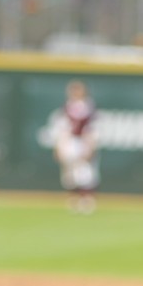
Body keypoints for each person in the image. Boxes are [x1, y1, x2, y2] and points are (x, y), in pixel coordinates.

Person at [52, 79, 99, 214]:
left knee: (85, 170)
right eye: (73, 90)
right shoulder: (65, 107)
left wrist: (90, 145)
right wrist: (58, 146)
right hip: (69, 141)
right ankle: (73, 198)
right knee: (69, 171)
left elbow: (93, 129)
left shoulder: (90, 107)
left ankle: (87, 199)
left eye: (78, 89)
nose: (75, 92)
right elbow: (60, 128)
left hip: (83, 140)